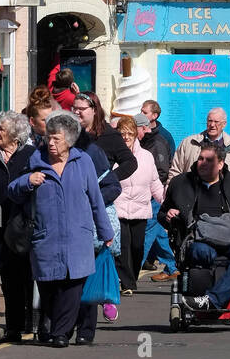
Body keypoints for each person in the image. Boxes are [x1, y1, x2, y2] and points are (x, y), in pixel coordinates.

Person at [7, 111, 112, 347]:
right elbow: (11, 190)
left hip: (78, 238)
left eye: (57, 139)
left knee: (73, 287)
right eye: (49, 138)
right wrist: (27, 181)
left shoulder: (83, 161)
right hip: (46, 238)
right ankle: (60, 328)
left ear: (70, 140)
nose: (51, 143)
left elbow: (96, 200)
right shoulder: (35, 161)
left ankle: (61, 333)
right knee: (50, 288)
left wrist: (106, 232)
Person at [160, 139, 230, 313]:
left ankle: (212, 299)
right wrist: (169, 215)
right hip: (198, 238)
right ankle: (212, 294)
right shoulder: (181, 183)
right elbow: (161, 213)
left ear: (220, 164)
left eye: (209, 160)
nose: (202, 163)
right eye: (201, 159)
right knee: (203, 253)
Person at [72, 91, 137, 334]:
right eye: (74, 108)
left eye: (81, 108)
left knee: (101, 251)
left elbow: (131, 162)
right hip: (77, 200)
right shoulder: (71, 134)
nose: (76, 112)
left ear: (94, 109)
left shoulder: (108, 135)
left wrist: (109, 179)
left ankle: (106, 295)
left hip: (101, 197)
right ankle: (80, 305)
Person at [0, 112, 36, 342]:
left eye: (1, 129)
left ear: (16, 134)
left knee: (28, 278)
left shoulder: (32, 156)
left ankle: (32, 323)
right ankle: (13, 328)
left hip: (23, 227)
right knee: (9, 281)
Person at [113, 115, 164, 292]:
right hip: (119, 208)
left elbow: (155, 182)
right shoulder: (113, 157)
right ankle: (127, 283)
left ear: (136, 135)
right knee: (124, 246)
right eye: (122, 133)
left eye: (129, 133)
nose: (126, 137)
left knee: (137, 247)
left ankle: (132, 277)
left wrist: (164, 202)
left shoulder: (146, 157)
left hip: (141, 209)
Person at [168, 108, 230, 182]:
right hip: (192, 198)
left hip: (222, 199)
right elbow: (175, 172)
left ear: (224, 124)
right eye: (210, 121)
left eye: (216, 122)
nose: (212, 125)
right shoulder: (188, 143)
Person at [140, 100, 175, 173]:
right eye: (141, 111)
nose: (141, 114)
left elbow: (170, 160)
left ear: (154, 116)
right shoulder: (137, 132)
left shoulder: (165, 135)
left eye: (145, 113)